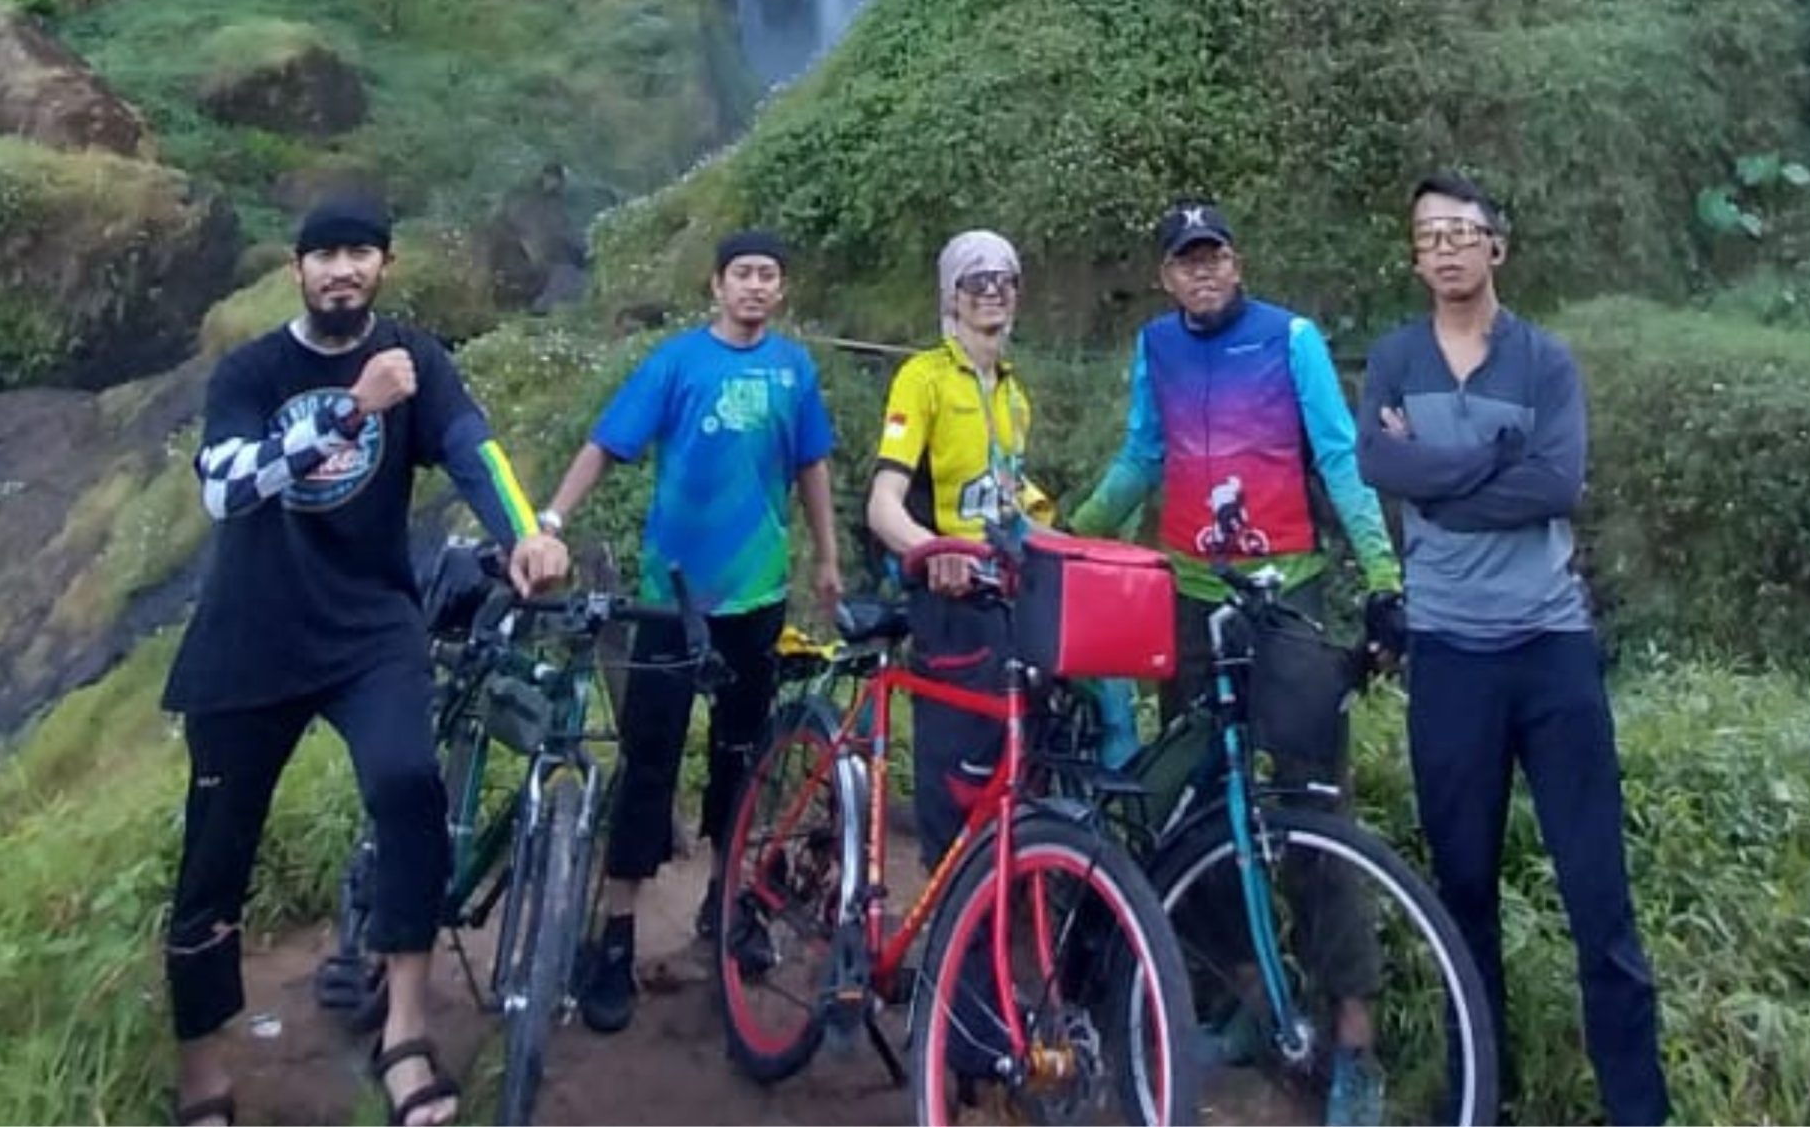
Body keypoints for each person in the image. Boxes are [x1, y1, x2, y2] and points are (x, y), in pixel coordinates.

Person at [160, 198, 570, 1127]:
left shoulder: (417, 359)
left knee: (409, 786)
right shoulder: (254, 368)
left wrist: (524, 533)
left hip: (370, 629)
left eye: (359, 253)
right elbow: (227, 488)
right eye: (324, 256)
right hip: (250, 636)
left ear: (383, 264)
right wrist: (352, 408)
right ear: (297, 270)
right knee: (215, 853)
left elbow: (474, 448)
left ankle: (406, 1034)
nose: (342, 270)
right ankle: (203, 1073)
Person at [1068, 200, 1404, 1124]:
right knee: (1190, 807)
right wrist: (1069, 532)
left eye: (1215, 257)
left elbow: (1340, 459)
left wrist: (1382, 577)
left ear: (1237, 263)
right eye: (1186, 262)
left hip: (1284, 597)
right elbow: (1141, 458)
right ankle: (1248, 1003)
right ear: (1168, 276)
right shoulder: (1156, 346)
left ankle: (1355, 1046)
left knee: (1312, 806)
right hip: (1186, 601)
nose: (1203, 273)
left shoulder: (1290, 340)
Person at [1356, 173, 1670, 1125]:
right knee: (1464, 897)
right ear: (1415, 257)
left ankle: (1636, 1109)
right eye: (1428, 236)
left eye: (1463, 232)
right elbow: (1378, 465)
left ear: (1498, 246)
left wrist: (1440, 484)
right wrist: (1489, 459)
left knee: (1598, 898)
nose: (1446, 248)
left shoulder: (1543, 362)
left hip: (1550, 652)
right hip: (1449, 656)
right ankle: (1478, 1102)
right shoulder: (1395, 359)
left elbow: (1555, 485)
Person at [537, 229, 843, 1033]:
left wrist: (827, 559)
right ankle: (616, 933)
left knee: (741, 762)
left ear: (781, 290)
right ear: (716, 285)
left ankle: (726, 903)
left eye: (767, 275)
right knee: (650, 760)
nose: (754, 286)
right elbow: (607, 444)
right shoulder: (676, 362)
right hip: (673, 601)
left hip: (758, 598)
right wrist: (552, 519)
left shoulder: (794, 369)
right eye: (741, 273)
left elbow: (813, 466)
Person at [863, 228, 1055, 1106]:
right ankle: (957, 1028)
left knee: (1012, 799)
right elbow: (883, 503)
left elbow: (1018, 498)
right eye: (976, 279)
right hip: (948, 610)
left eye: (1006, 278)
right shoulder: (924, 378)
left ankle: (993, 1003)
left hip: (1008, 604)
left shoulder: (1013, 393)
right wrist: (928, 548)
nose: (993, 292)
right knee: (956, 810)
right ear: (948, 294)